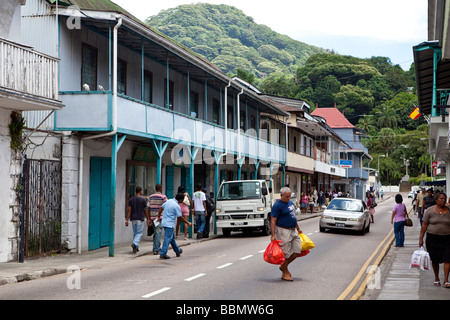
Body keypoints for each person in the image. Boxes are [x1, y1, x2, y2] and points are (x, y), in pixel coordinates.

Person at [270, 187, 302, 282]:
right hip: (283, 231)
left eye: (289, 196)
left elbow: (293, 216)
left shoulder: (290, 203)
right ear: (281, 195)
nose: (288, 198)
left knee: (298, 250)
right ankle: (285, 273)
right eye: (286, 197)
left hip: (293, 230)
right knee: (286, 254)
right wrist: (273, 235)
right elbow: (273, 220)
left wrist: (298, 227)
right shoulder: (277, 206)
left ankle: (283, 266)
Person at [419, 192, 450, 288]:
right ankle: (436, 278)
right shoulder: (429, 211)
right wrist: (421, 238)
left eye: (444, 198)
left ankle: (446, 280)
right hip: (433, 238)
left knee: (447, 258)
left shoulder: (449, 211)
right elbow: (424, 225)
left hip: (447, 238)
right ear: (436, 200)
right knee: (435, 259)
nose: (443, 200)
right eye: (441, 198)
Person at [158, 193, 192, 259]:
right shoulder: (176, 206)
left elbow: (161, 208)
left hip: (164, 222)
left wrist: (158, 216)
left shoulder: (168, 201)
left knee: (172, 238)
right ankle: (163, 253)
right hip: (169, 224)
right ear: (181, 199)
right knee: (167, 238)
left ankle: (177, 250)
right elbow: (180, 217)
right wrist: (187, 223)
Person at [125, 186, 149, 253]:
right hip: (140, 218)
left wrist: (127, 220)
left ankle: (136, 247)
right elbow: (145, 210)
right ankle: (135, 243)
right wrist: (148, 218)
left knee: (135, 233)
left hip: (133, 219)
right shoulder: (143, 200)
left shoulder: (131, 200)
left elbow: (129, 210)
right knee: (139, 233)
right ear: (141, 191)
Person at [148, 184, 168, 255]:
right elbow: (166, 207)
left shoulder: (151, 197)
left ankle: (156, 247)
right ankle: (156, 249)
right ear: (161, 189)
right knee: (158, 233)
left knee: (156, 233)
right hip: (159, 218)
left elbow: (149, 208)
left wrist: (149, 218)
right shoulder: (163, 197)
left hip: (152, 217)